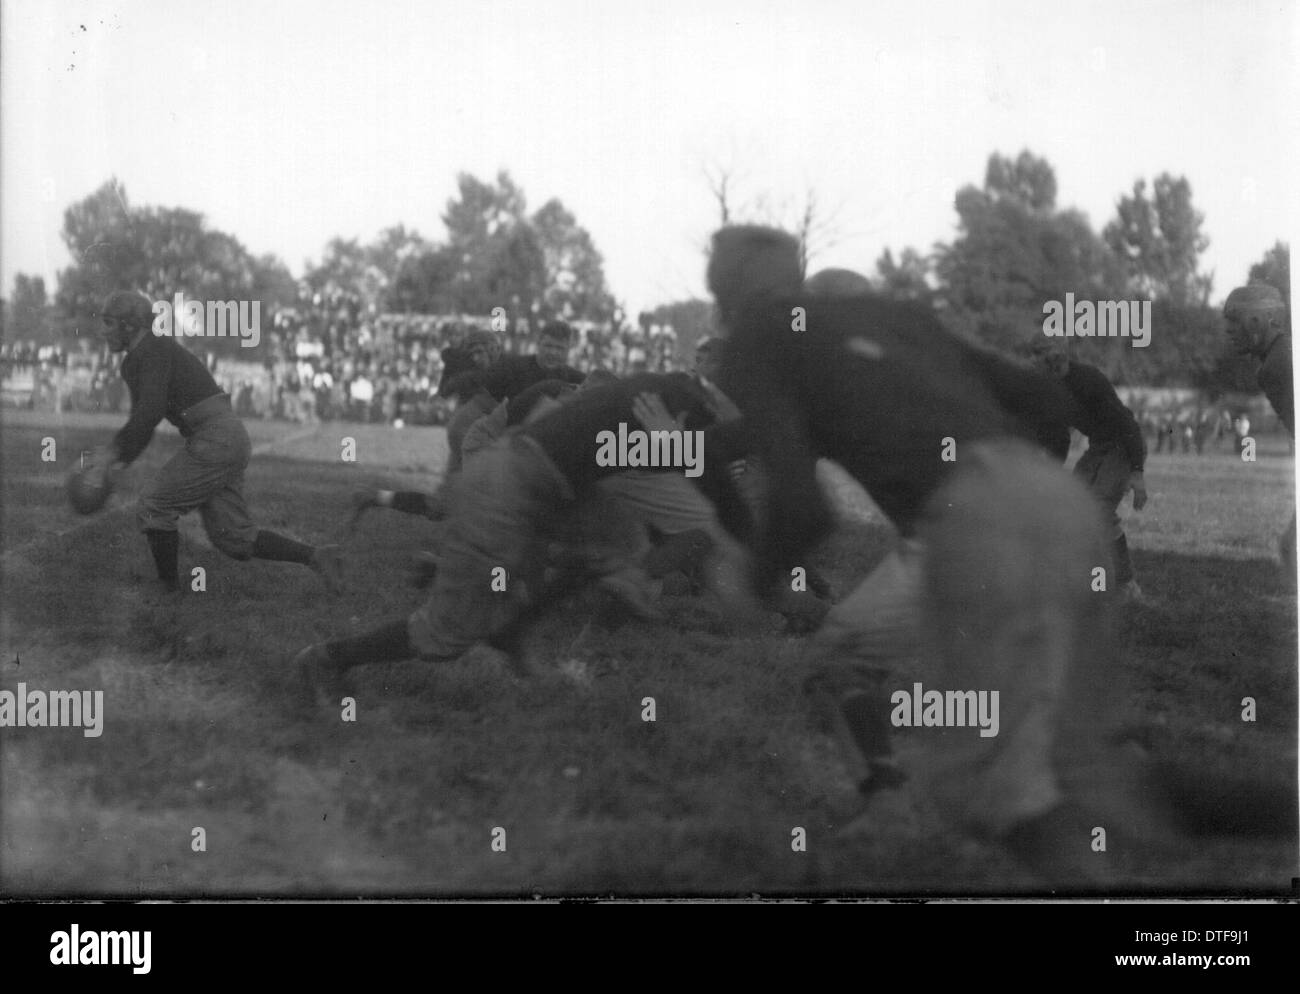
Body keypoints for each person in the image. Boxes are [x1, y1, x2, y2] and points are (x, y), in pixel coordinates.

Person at [704, 226, 1144, 882]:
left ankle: (886, 804)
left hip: (974, 518)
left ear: (724, 288)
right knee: (1098, 769)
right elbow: (1044, 398)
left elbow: (802, 508)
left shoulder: (758, 338)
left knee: (991, 789)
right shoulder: (898, 316)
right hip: (1062, 504)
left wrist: (749, 586)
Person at [292, 372, 744, 701]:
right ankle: (328, 658)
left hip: (543, 487)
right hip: (507, 489)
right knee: (445, 636)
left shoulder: (675, 395)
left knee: (618, 548)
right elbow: (716, 493)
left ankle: (514, 631)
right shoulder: (682, 406)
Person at [92, 290, 344, 596]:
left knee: (154, 503)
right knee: (235, 538)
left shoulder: (153, 350)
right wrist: (119, 460)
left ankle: (167, 590)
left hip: (217, 437)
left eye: (108, 322)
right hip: (221, 437)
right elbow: (141, 419)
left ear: (129, 325)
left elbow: (149, 413)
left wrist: (114, 453)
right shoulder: (136, 361)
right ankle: (317, 557)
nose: (103, 329)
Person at [1024, 341, 1149, 601]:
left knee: (1098, 512)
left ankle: (1125, 585)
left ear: (1058, 361)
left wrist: (1137, 471)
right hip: (1099, 446)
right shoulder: (1052, 388)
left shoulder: (1088, 380)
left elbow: (1126, 424)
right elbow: (1058, 436)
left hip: (1121, 447)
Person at [1223, 282, 1294, 580]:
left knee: (1292, 550)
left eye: (1234, 322)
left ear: (1256, 321)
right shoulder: (1283, 352)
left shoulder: (1275, 366)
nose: (1228, 332)